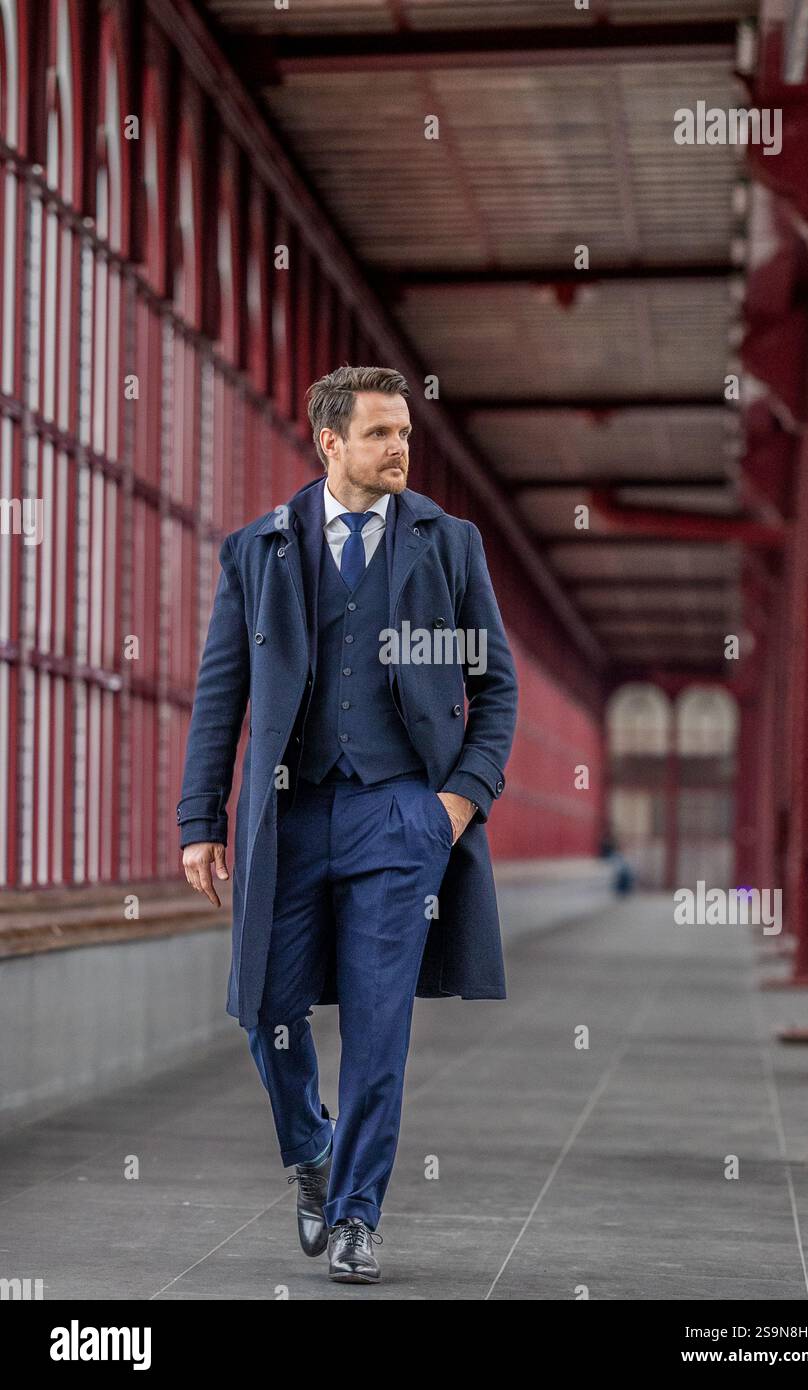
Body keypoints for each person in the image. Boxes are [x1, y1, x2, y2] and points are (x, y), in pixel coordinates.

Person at [177, 365, 518, 1283]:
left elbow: (495, 686)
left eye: (403, 432)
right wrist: (197, 821)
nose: (399, 447)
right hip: (285, 816)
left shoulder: (448, 544)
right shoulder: (260, 549)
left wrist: (455, 804)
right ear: (330, 443)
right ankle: (311, 1153)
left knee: (378, 1028)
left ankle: (359, 1214)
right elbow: (222, 696)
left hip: (400, 815)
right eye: (378, 434)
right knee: (265, 1006)